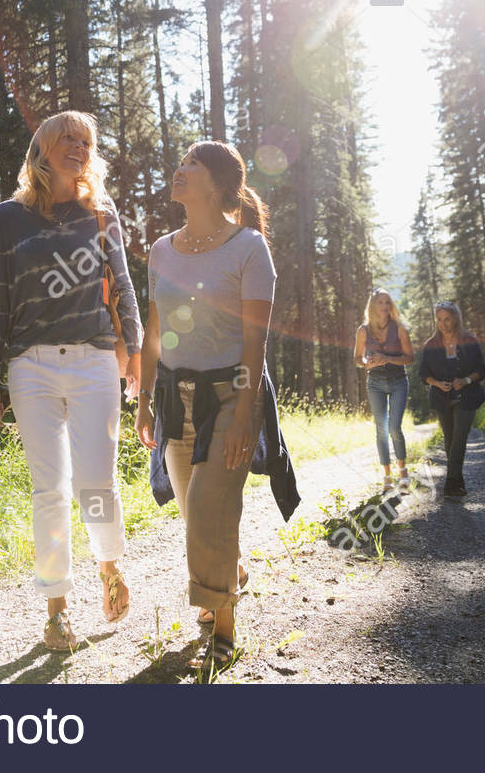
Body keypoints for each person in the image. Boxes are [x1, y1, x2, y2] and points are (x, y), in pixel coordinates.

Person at [0, 110, 143, 652]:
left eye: (86, 140)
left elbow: (123, 284)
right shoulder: (7, 217)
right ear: (42, 149)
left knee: (96, 481)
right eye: (67, 137)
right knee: (49, 489)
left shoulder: (101, 211)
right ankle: (56, 611)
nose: (79, 145)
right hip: (32, 366)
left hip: (95, 361)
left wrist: (135, 349)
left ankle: (109, 568)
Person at [135, 140, 299, 673]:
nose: (178, 169)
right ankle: (231, 573)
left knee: (209, 510)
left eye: (191, 164)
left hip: (232, 393)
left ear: (217, 183)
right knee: (192, 514)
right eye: (180, 161)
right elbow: (154, 335)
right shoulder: (161, 250)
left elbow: (257, 344)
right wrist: (143, 402)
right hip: (174, 399)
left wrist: (248, 415)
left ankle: (222, 630)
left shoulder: (250, 248)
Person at [418, 300, 485, 497]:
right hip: (442, 398)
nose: (443, 323)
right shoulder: (431, 345)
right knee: (449, 441)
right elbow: (423, 374)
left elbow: (481, 370)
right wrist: (438, 383)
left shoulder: (469, 340)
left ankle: (450, 483)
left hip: (467, 397)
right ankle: (458, 480)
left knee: (459, 438)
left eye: (447, 319)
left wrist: (465, 380)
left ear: (455, 319)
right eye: (439, 319)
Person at [355, 289, 415, 490]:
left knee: (394, 427)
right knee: (381, 429)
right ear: (373, 306)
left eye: (387, 302)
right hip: (375, 383)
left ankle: (403, 471)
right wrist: (367, 363)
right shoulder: (363, 330)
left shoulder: (399, 328)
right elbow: (358, 358)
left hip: (398, 381)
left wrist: (388, 358)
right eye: (381, 302)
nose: (385, 306)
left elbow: (410, 358)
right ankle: (387, 475)